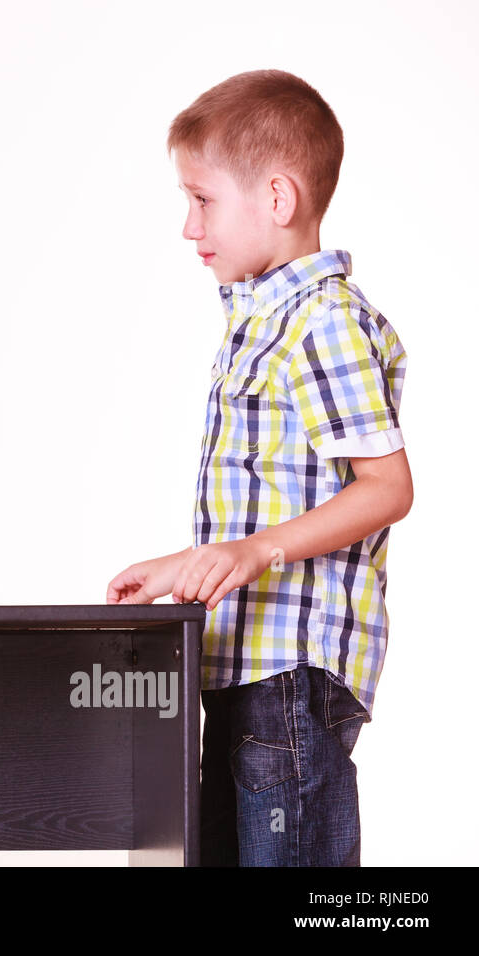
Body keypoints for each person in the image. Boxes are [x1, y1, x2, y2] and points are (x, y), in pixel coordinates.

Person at [106, 70, 412, 866]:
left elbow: (386, 487)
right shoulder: (260, 322)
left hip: (292, 672)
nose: (187, 226)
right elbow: (268, 494)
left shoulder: (325, 321)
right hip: (243, 658)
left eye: (201, 200)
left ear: (277, 198)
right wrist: (189, 564)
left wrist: (253, 553)